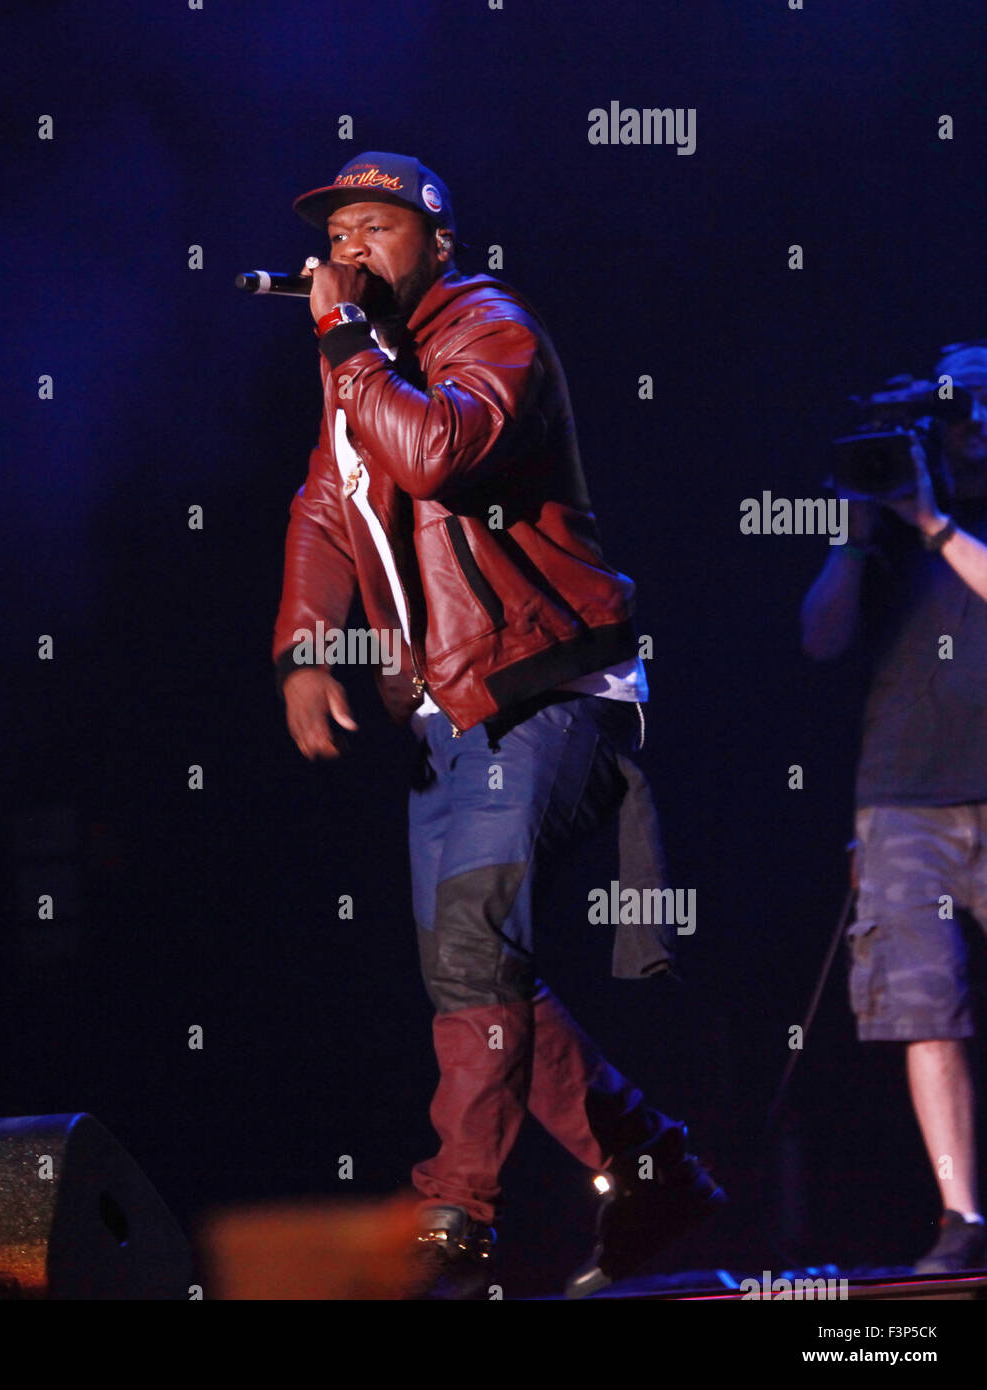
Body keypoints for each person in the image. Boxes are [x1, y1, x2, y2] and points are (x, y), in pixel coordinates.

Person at [269, 151, 723, 1297]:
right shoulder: (360, 364)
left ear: (437, 242)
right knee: (469, 969)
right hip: (447, 710)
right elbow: (325, 503)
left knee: (473, 943)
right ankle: (650, 1165)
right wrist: (305, 648)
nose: (348, 249)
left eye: (374, 227)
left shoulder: (488, 330)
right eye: (336, 233)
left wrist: (343, 342)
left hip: (544, 689)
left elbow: (433, 453)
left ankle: (455, 1219)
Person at [801, 342, 987, 1273]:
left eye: (983, 404)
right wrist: (855, 534)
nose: (973, 425)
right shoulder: (888, 521)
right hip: (903, 800)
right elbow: (821, 639)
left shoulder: (943, 523)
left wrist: (934, 524)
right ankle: (962, 1218)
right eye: (957, 409)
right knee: (924, 1010)